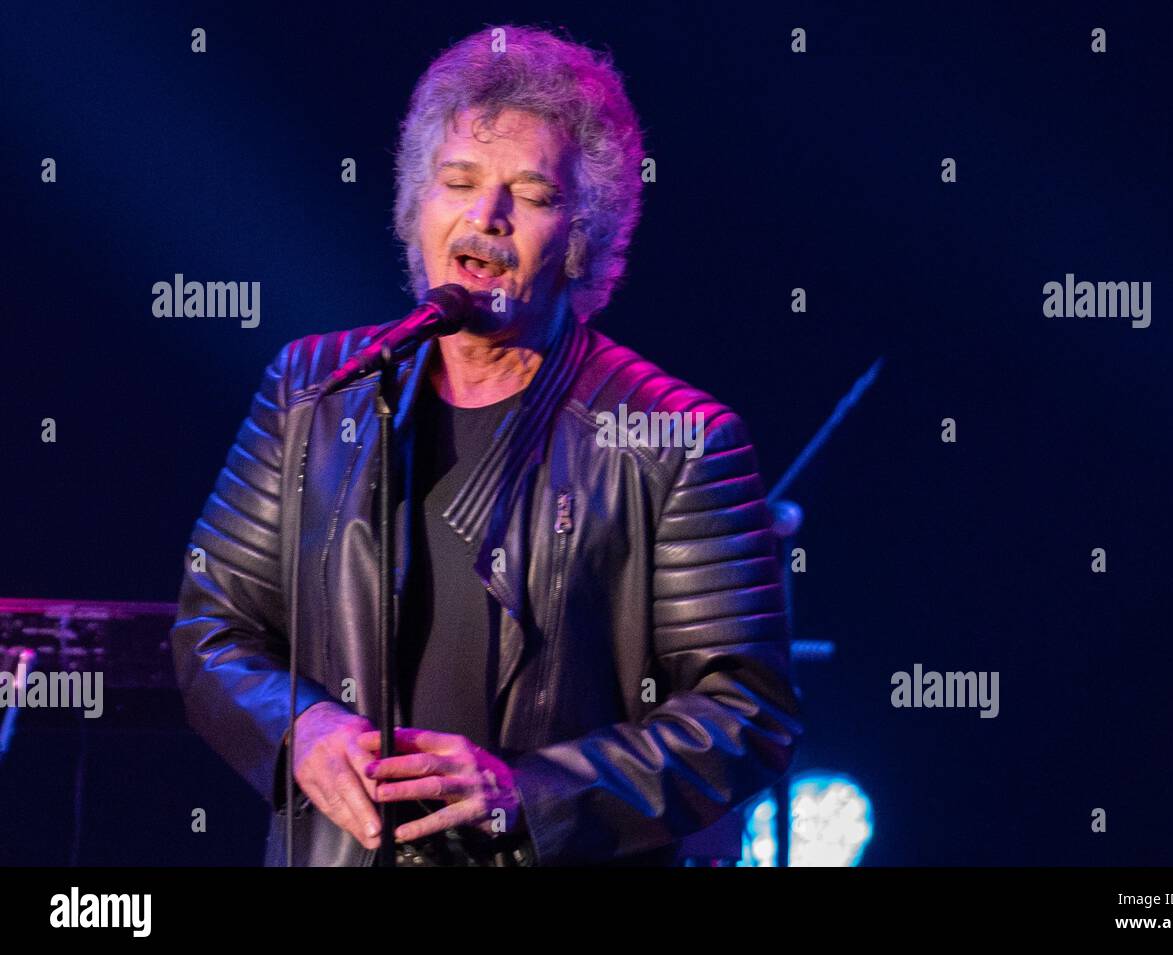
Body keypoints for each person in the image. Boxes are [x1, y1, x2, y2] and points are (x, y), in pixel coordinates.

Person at [170, 24, 801, 867]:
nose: (485, 216)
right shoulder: (311, 391)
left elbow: (744, 712)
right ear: (415, 208)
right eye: (457, 181)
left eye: (531, 195)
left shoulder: (681, 439)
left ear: (582, 235)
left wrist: (530, 794)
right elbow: (214, 626)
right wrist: (304, 727)